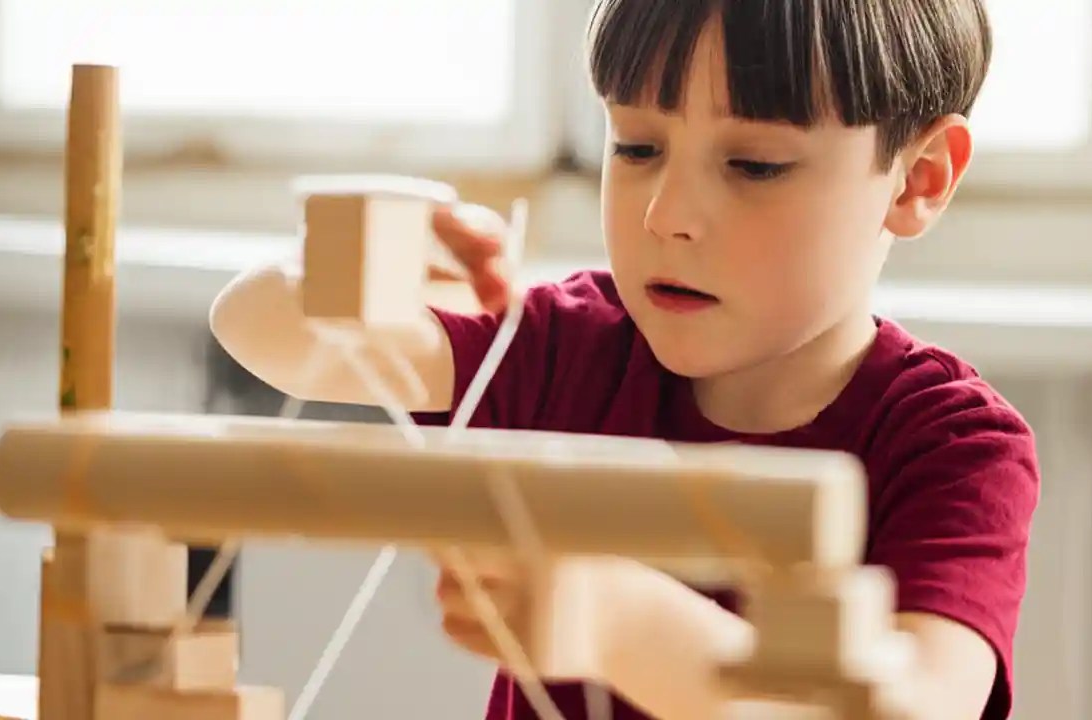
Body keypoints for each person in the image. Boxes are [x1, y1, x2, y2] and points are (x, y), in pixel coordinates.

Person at [209, 0, 1040, 718]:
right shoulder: (560, 348)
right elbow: (259, 330)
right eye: (637, 148)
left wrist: (620, 623)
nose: (667, 215)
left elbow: (916, 707)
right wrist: (375, 263)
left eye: (754, 165)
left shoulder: (955, 450)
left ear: (918, 178)